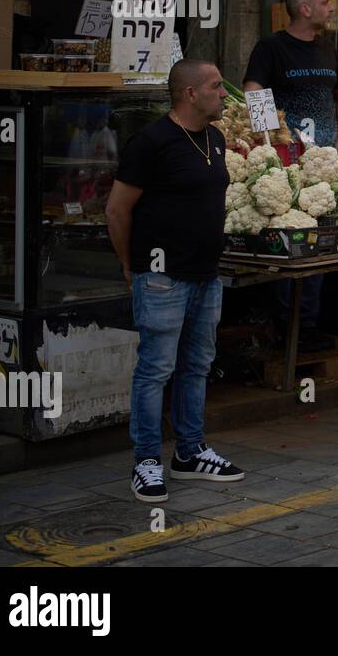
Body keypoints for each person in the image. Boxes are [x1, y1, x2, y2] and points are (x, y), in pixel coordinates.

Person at [105, 60, 245, 503]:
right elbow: (116, 210)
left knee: (197, 366)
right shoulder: (151, 143)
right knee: (155, 369)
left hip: (207, 275)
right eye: (215, 86)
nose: (224, 93)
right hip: (162, 276)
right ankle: (146, 460)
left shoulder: (215, 139)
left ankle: (190, 452)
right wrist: (132, 265)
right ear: (189, 93)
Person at [244, 0, 338, 351]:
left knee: (318, 241)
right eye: (324, 2)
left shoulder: (326, 49)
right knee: (290, 242)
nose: (330, 7)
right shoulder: (272, 48)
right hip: (288, 164)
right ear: (305, 9)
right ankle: (284, 325)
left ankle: (307, 325)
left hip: (323, 164)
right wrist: (270, 142)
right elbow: (253, 89)